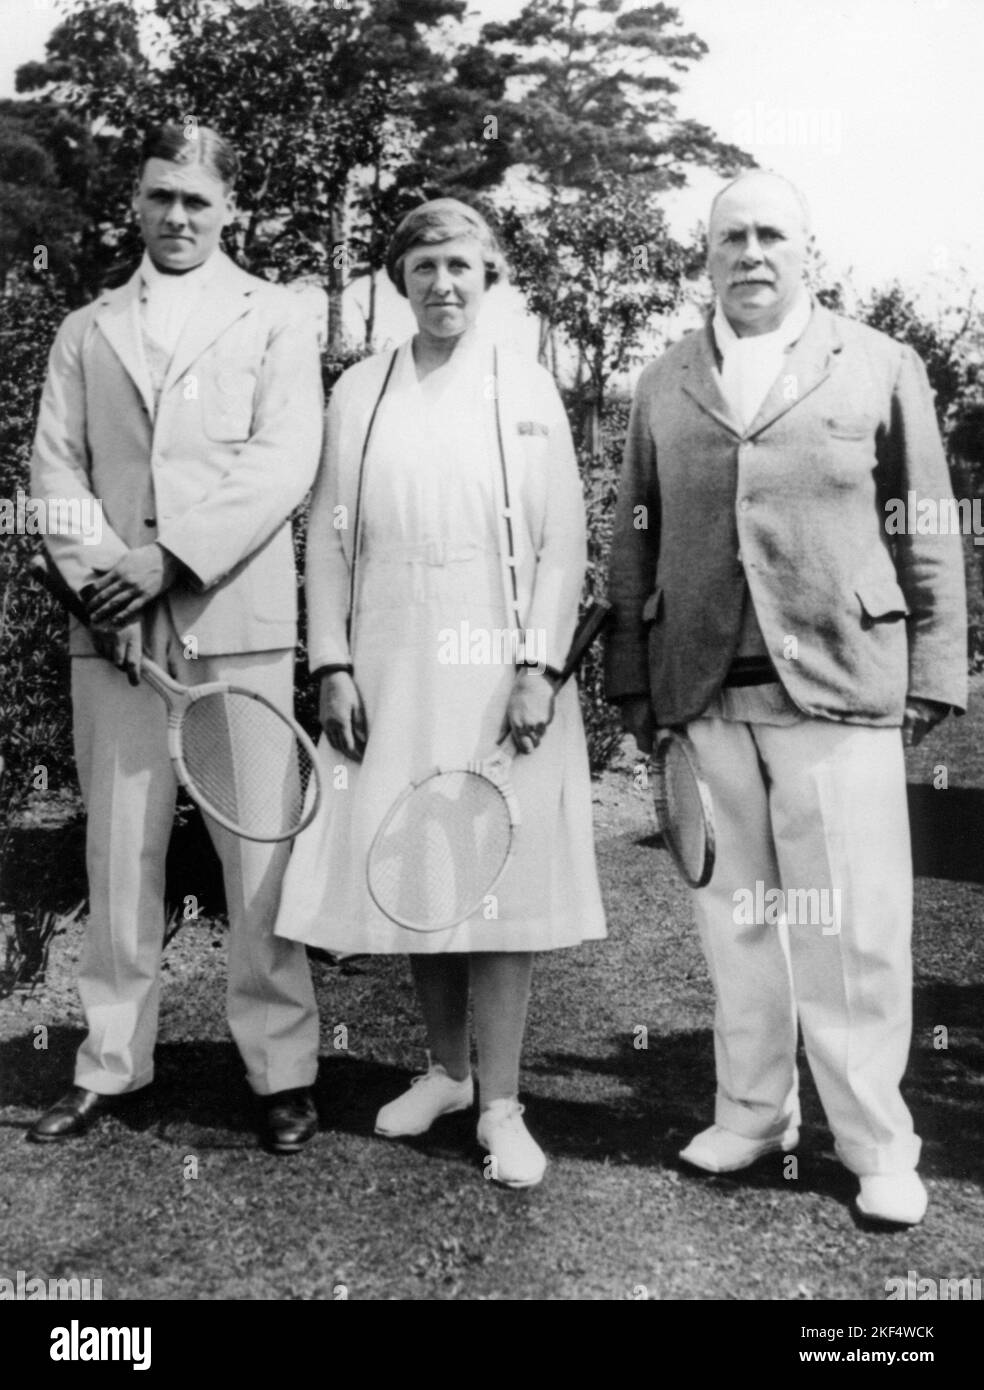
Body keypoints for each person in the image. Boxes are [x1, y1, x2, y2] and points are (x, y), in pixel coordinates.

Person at [606, 171, 967, 1226]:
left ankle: (875, 1142)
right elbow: (634, 529)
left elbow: (925, 520)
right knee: (739, 922)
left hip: (840, 685)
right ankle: (752, 1113)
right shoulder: (665, 380)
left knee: (851, 927)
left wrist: (936, 669)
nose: (751, 252)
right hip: (704, 691)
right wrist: (632, 671)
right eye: (731, 237)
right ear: (706, 256)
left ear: (810, 252)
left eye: (772, 234)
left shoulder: (880, 363)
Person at [275, 198, 606, 1188]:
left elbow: (562, 546)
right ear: (399, 279)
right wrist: (331, 662)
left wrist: (540, 668)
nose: (443, 284)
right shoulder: (361, 390)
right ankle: (445, 1072)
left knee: (495, 874)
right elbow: (328, 539)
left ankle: (501, 1105)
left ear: (489, 274)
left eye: (460, 265)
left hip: (502, 668)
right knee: (422, 862)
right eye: (422, 267)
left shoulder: (527, 387)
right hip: (392, 661)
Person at [28, 123, 324, 1154]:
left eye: (198, 200)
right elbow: (54, 475)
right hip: (113, 639)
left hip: (236, 632)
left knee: (260, 861)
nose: (179, 216)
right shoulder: (84, 328)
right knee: (118, 857)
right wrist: (106, 585)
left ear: (228, 206)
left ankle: (280, 1067)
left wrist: (171, 561)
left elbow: (283, 460)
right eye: (161, 197)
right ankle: (112, 1061)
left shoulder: (279, 316)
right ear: (138, 201)